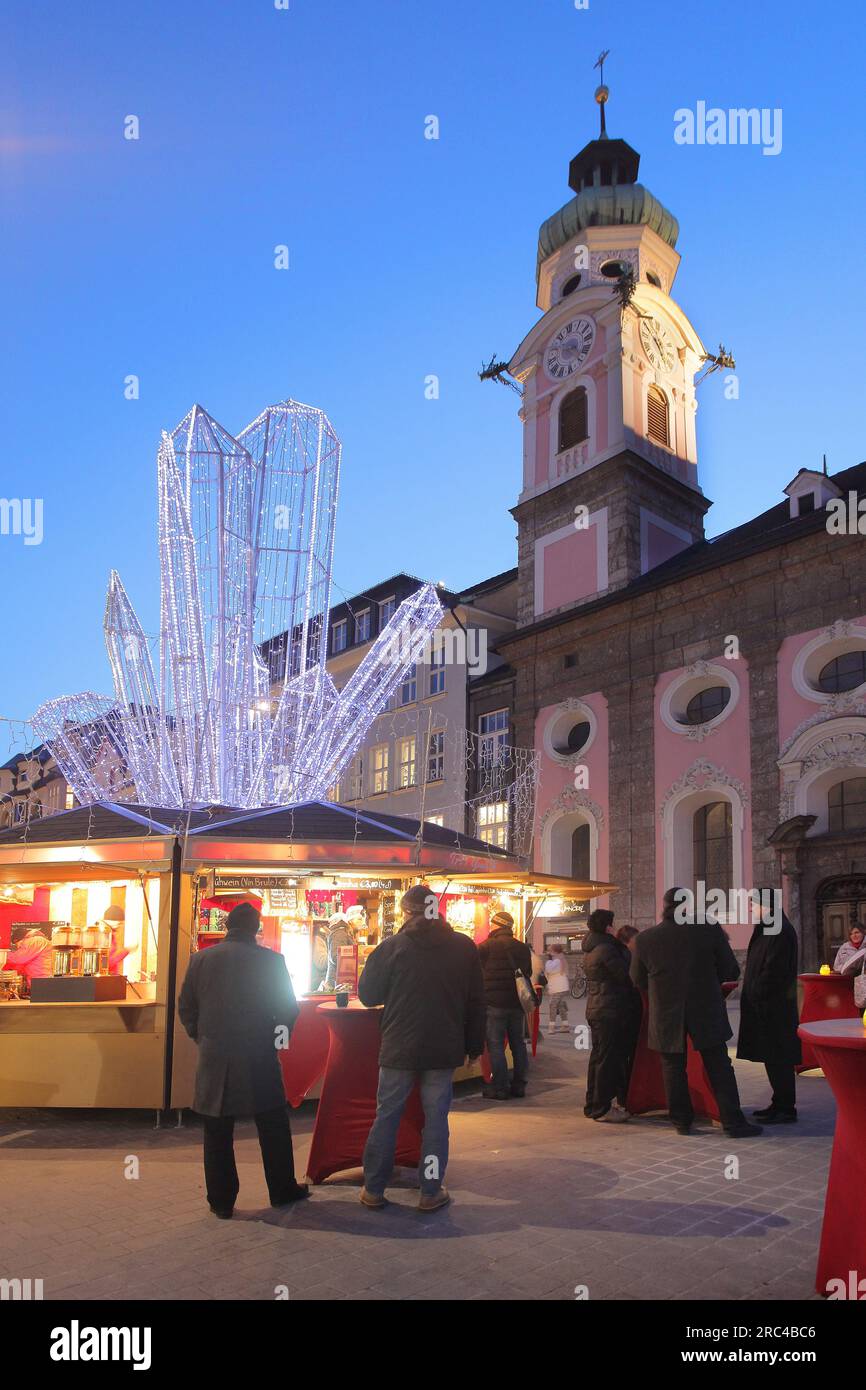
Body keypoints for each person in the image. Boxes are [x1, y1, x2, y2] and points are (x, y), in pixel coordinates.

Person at [357, 884, 485, 1212]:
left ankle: (373, 1189)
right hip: (444, 1045)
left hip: (400, 1044)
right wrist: (474, 1046)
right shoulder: (463, 947)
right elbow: (476, 1002)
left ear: (406, 911)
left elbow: (369, 995)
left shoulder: (392, 946)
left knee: (387, 1115)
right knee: (436, 1118)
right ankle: (430, 1191)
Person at [178, 902, 309, 1218]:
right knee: (273, 1125)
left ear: (227, 927)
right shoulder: (271, 960)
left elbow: (186, 1008)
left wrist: (203, 1037)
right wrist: (276, 1040)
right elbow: (288, 1008)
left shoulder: (200, 960)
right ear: (255, 928)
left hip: (215, 1056)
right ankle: (281, 1190)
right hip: (259, 1054)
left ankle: (221, 1201)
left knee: (217, 1131)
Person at [630, 888, 761, 1138]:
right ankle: (733, 1122)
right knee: (719, 1065)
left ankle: (681, 1121)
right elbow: (730, 970)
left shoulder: (645, 939)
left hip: (666, 1011)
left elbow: (637, 979)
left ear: (665, 905)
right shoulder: (707, 929)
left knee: (672, 1067)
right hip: (706, 1007)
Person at [737, 906, 801, 1123]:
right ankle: (779, 1102)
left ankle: (786, 1108)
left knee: (779, 1056)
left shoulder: (780, 931)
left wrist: (758, 992)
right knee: (772, 1056)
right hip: (766, 1005)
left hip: (775, 1007)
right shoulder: (769, 928)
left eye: (755, 905)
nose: (752, 908)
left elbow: (774, 969)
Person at [582, 909, 639, 1123]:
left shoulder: (592, 947)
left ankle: (592, 1104)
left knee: (598, 1058)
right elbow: (626, 976)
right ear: (607, 926)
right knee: (607, 1060)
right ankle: (601, 1107)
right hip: (610, 1010)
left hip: (597, 1008)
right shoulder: (608, 949)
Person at [477, 909, 534, 1100]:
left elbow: (477, 972)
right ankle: (519, 1085)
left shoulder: (486, 946)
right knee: (518, 1044)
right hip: (517, 1004)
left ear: (497, 925)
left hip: (494, 1003)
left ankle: (500, 1087)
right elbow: (528, 972)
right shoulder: (522, 948)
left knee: (495, 1045)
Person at [4, 925, 53, 989]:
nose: (18, 947)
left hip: (42, 982)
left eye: (18, 944)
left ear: (20, 939)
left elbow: (19, 958)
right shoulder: (39, 940)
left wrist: (3, 955)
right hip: (43, 981)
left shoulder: (34, 941)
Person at [322, 912, 355, 990]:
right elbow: (335, 956)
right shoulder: (339, 934)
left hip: (336, 982)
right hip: (336, 983)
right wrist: (352, 963)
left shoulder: (340, 933)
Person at [544, 943, 571, 1033]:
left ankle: (551, 1027)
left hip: (558, 987)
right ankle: (565, 1025)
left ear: (554, 951)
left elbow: (549, 970)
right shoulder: (560, 959)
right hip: (560, 986)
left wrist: (548, 962)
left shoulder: (557, 961)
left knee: (553, 1005)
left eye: (549, 950)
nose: (548, 952)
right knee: (560, 1005)